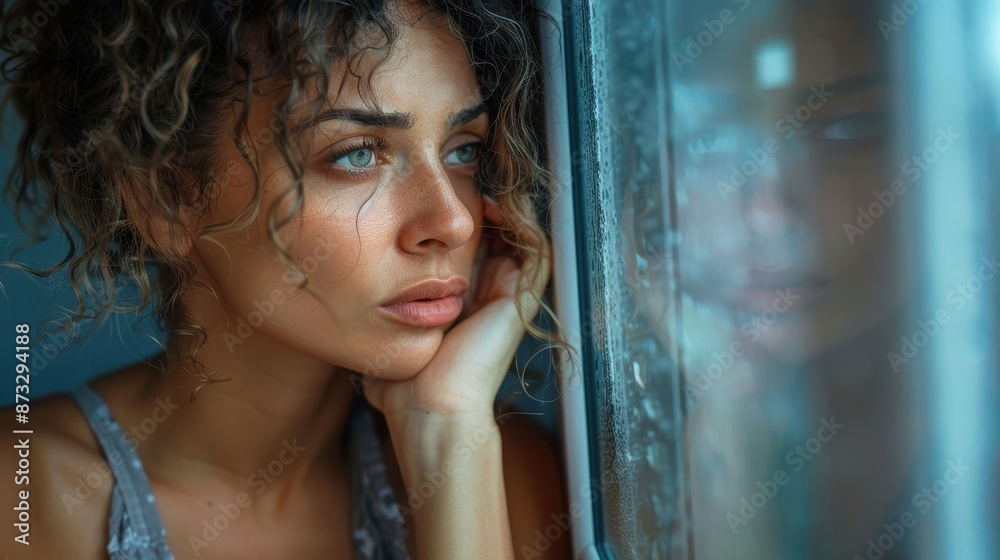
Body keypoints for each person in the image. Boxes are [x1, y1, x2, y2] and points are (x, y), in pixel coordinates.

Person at [0, 0, 571, 558]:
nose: (453, 222)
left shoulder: (498, 473)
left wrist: (446, 430)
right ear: (164, 200)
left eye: (462, 150)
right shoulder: (23, 495)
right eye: (356, 155)